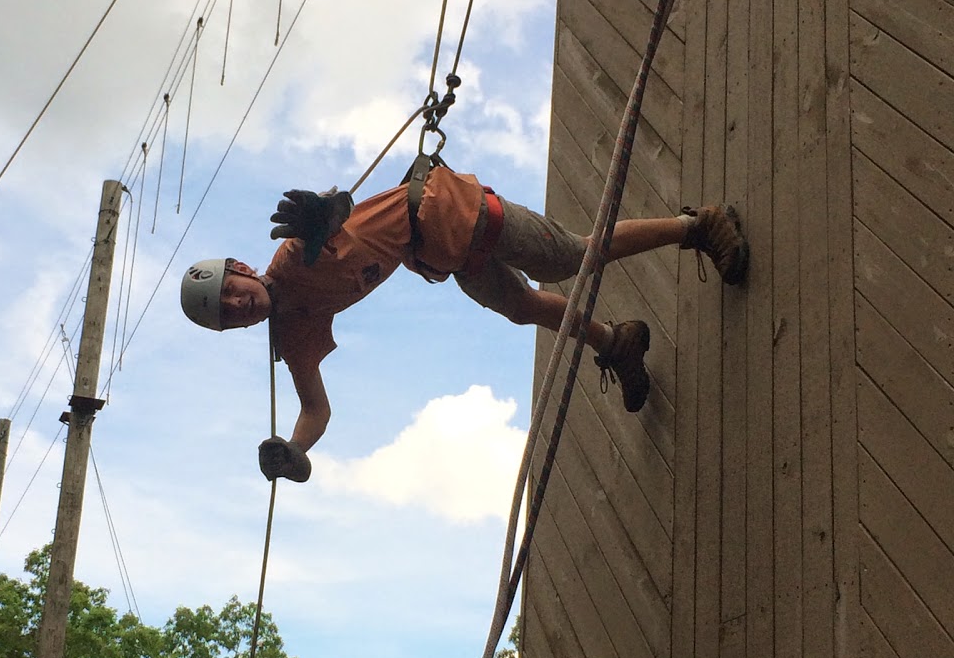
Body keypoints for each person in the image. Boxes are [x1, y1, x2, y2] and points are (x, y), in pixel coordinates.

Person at [180, 165, 748, 481]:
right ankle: (616, 342)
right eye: (227, 315)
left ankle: (696, 226)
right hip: (441, 258)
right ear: (235, 333)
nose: (237, 305)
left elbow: (334, 214)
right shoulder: (293, 333)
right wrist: (298, 452)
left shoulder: (293, 254)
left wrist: (325, 211)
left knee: (573, 256)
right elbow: (314, 408)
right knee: (522, 308)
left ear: (242, 267)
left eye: (230, 291)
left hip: (450, 210)